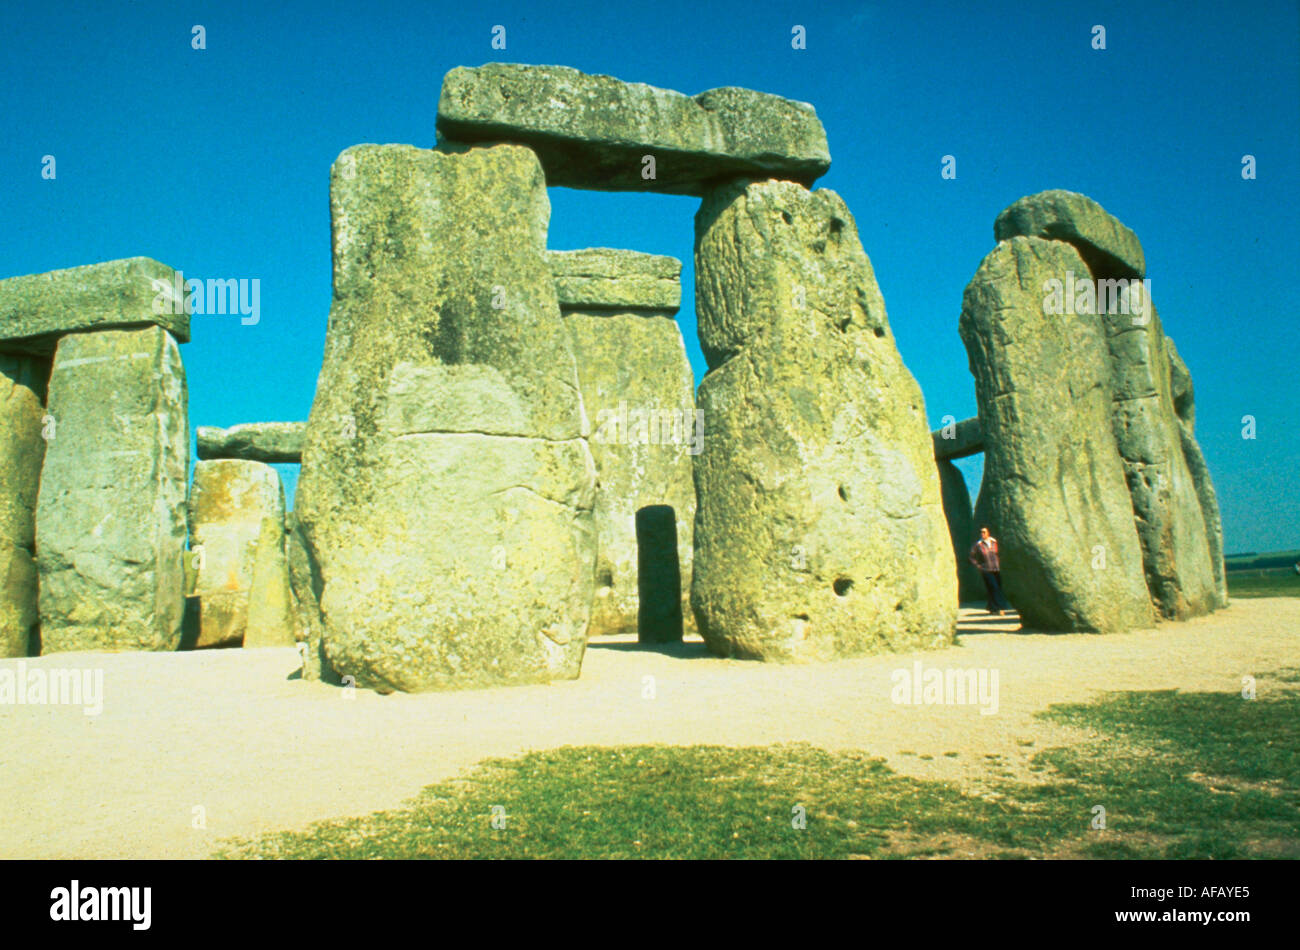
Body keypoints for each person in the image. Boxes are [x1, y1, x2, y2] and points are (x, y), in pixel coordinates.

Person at [969, 525, 1011, 615]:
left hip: (996, 568)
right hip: (986, 569)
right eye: (981, 532)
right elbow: (971, 557)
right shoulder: (978, 544)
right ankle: (1000, 608)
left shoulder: (994, 542)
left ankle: (992, 608)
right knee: (994, 587)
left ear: (988, 533)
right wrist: (978, 565)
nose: (982, 534)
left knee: (995, 588)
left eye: (984, 532)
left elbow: (1000, 553)